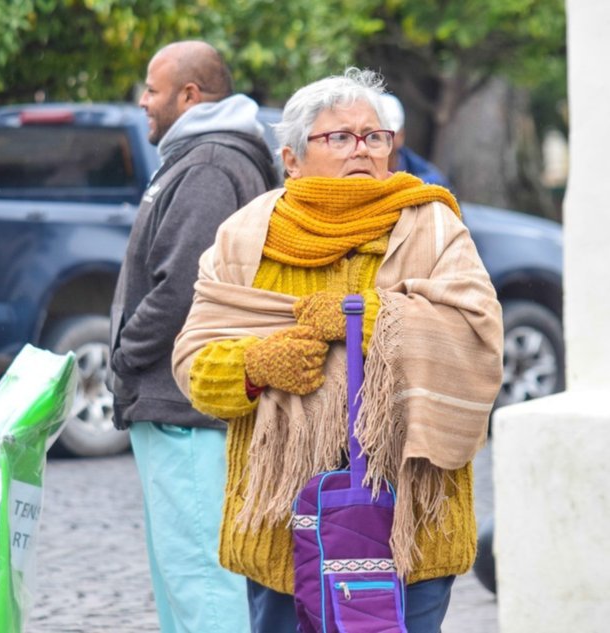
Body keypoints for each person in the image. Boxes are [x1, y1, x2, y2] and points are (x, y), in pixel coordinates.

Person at [171, 69, 503, 632]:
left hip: (411, 522)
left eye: (374, 137)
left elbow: (475, 340)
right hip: (283, 527)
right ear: (292, 158)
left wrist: (369, 321)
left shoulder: (433, 226)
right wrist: (255, 365)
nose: (363, 150)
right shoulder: (246, 236)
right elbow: (195, 364)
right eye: (341, 137)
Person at [109, 40, 277, 633]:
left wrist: (124, 356)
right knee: (186, 578)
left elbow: (181, 286)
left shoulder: (208, 164)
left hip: (186, 409)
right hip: (183, 405)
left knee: (203, 578)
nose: (143, 101)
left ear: (189, 94)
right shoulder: (203, 156)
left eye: (152, 90)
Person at [380, 92, 452, 188]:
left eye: (389, 136)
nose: (382, 142)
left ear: (401, 136)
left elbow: (441, 184)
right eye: (373, 136)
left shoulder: (426, 177)